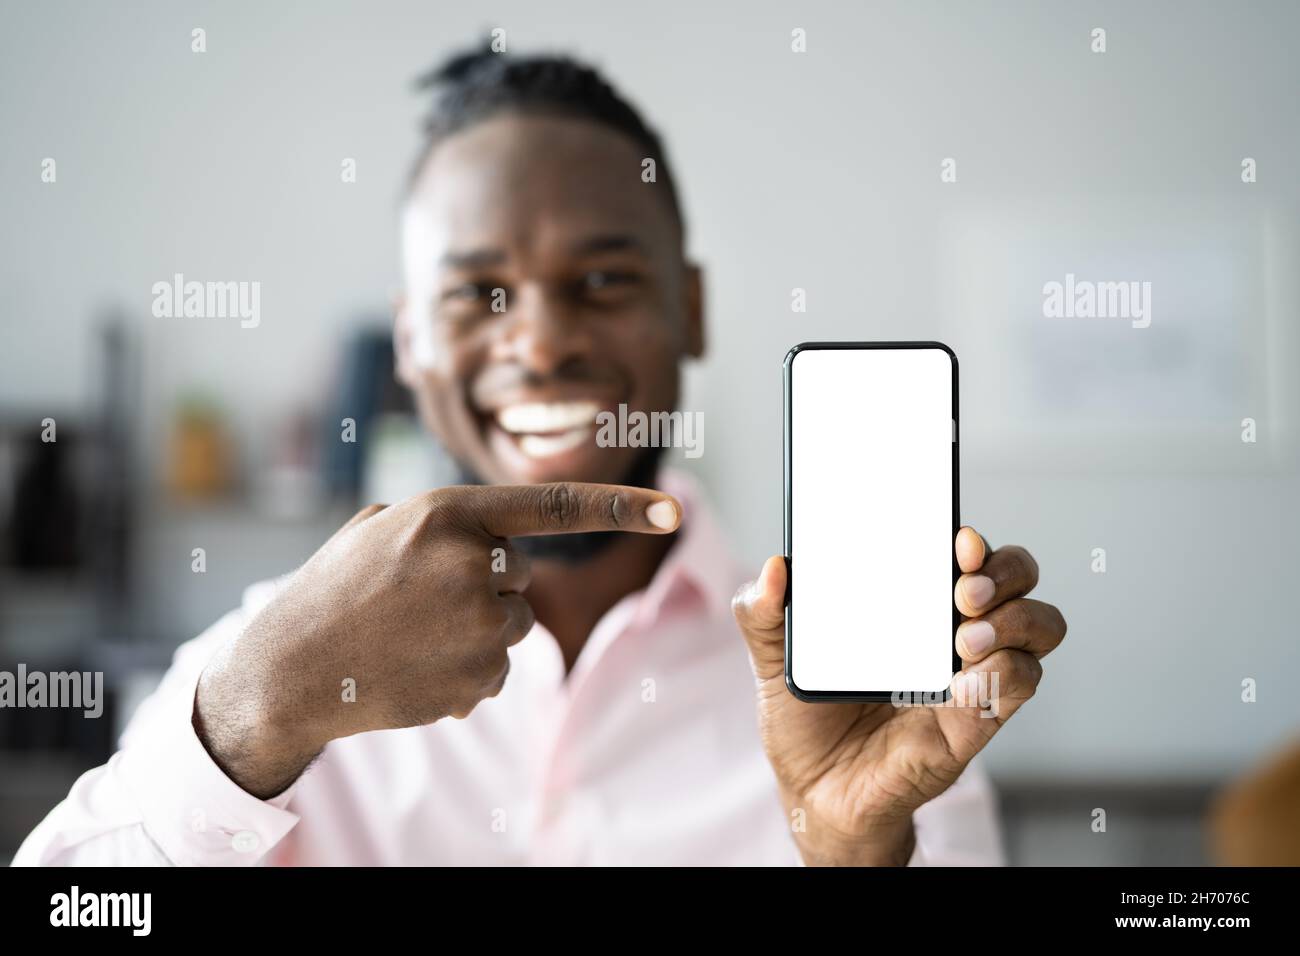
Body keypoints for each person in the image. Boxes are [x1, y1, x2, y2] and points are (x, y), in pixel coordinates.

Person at [15, 47, 1066, 866]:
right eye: (479, 294)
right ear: (412, 339)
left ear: (688, 310)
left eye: (604, 280)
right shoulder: (264, 659)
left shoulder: (865, 700)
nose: (543, 339)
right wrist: (259, 709)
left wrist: (846, 848)